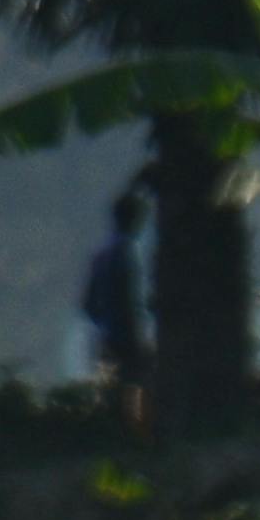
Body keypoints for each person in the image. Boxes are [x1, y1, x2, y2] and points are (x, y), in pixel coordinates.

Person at [76, 184, 150, 433]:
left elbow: (87, 304)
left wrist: (104, 323)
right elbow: (130, 300)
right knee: (135, 389)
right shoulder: (127, 252)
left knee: (109, 391)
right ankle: (132, 437)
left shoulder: (101, 254)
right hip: (126, 335)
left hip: (106, 335)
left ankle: (111, 434)